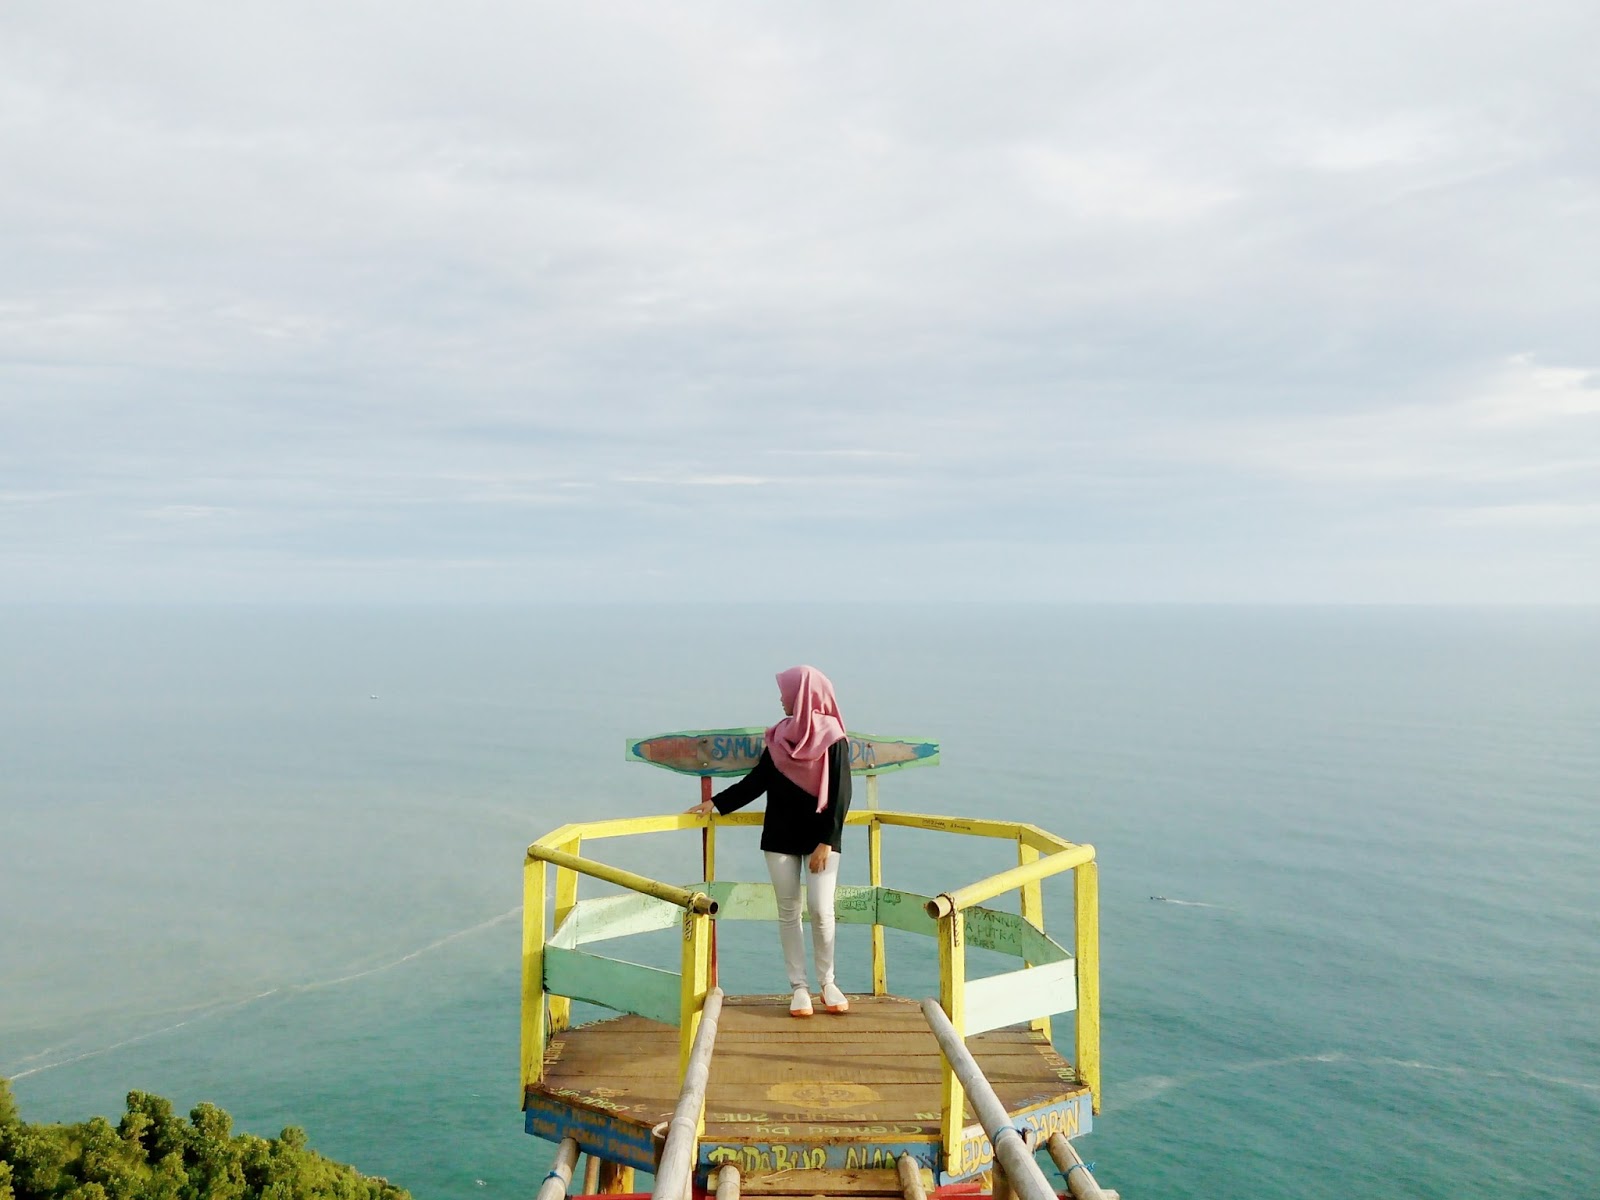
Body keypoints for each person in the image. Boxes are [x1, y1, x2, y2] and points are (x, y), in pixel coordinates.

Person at [688, 665, 853, 1018]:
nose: (781, 698)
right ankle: (799, 988)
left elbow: (841, 794)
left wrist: (827, 840)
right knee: (789, 911)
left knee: (822, 910)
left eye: (786, 692)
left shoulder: (833, 737)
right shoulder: (779, 738)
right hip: (780, 835)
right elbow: (757, 781)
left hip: (822, 839)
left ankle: (828, 981)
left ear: (803, 694)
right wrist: (717, 804)